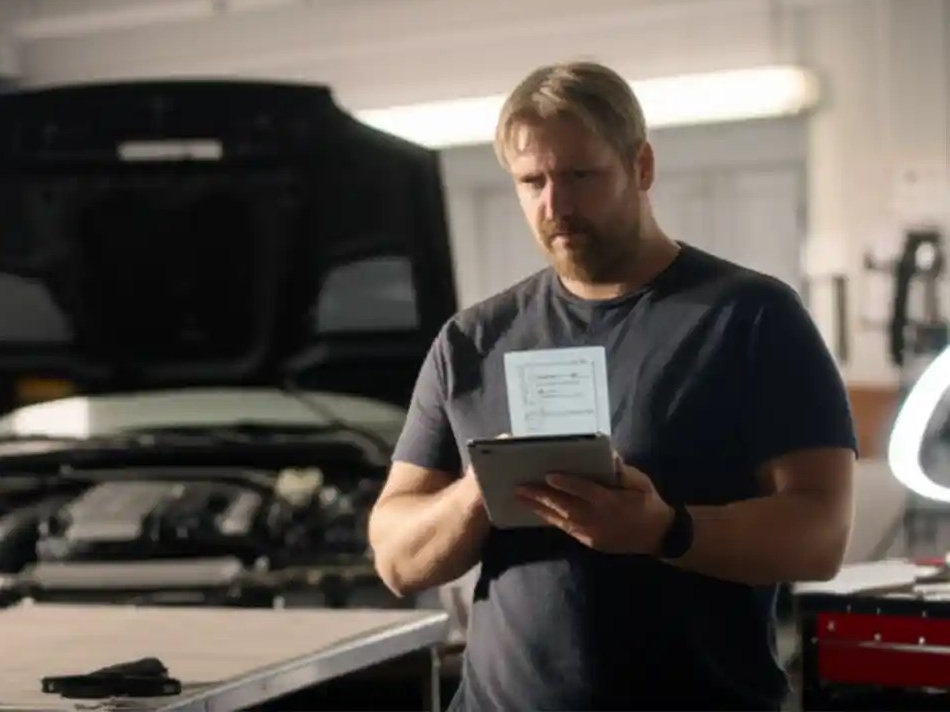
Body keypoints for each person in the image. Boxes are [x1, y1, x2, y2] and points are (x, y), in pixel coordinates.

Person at [367, 60, 857, 711]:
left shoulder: (751, 319)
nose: (555, 205)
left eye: (580, 175)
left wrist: (666, 530)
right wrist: (483, 488)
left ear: (641, 166)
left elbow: (821, 534)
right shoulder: (472, 342)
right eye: (533, 181)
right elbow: (396, 560)